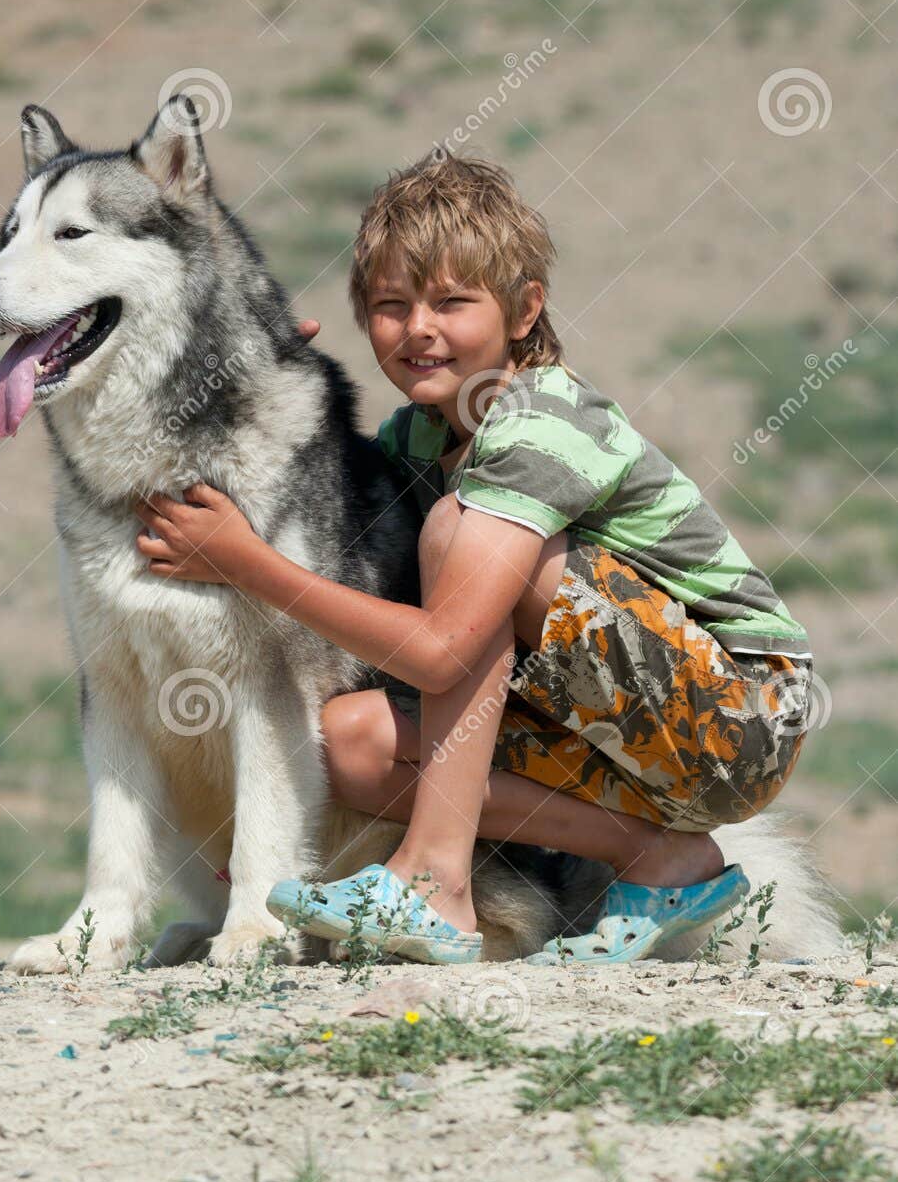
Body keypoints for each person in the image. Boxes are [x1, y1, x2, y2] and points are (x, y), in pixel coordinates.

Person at [132, 150, 814, 966]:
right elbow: (339, 505)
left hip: (742, 718)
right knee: (349, 740)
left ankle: (433, 885)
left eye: (452, 301)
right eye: (391, 305)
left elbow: (442, 652)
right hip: (610, 723)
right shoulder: (421, 438)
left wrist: (248, 564)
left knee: (459, 534)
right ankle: (654, 857)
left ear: (525, 310)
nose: (418, 327)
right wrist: (270, 369)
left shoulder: (540, 426)